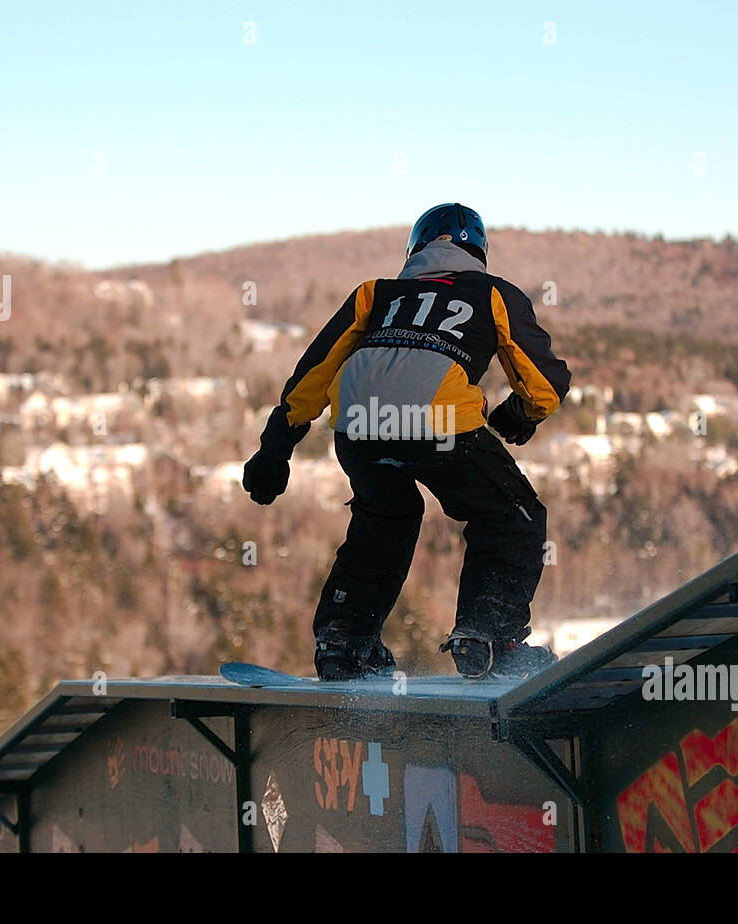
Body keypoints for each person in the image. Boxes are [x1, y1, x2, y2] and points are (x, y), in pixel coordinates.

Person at [242, 203, 571, 680]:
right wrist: (520, 415)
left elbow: (314, 373)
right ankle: (489, 638)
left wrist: (275, 448)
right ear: (479, 251)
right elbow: (546, 384)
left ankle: (343, 644)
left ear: (416, 248)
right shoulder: (493, 292)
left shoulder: (375, 293)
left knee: (385, 520)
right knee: (510, 516)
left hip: (359, 426)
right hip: (439, 424)